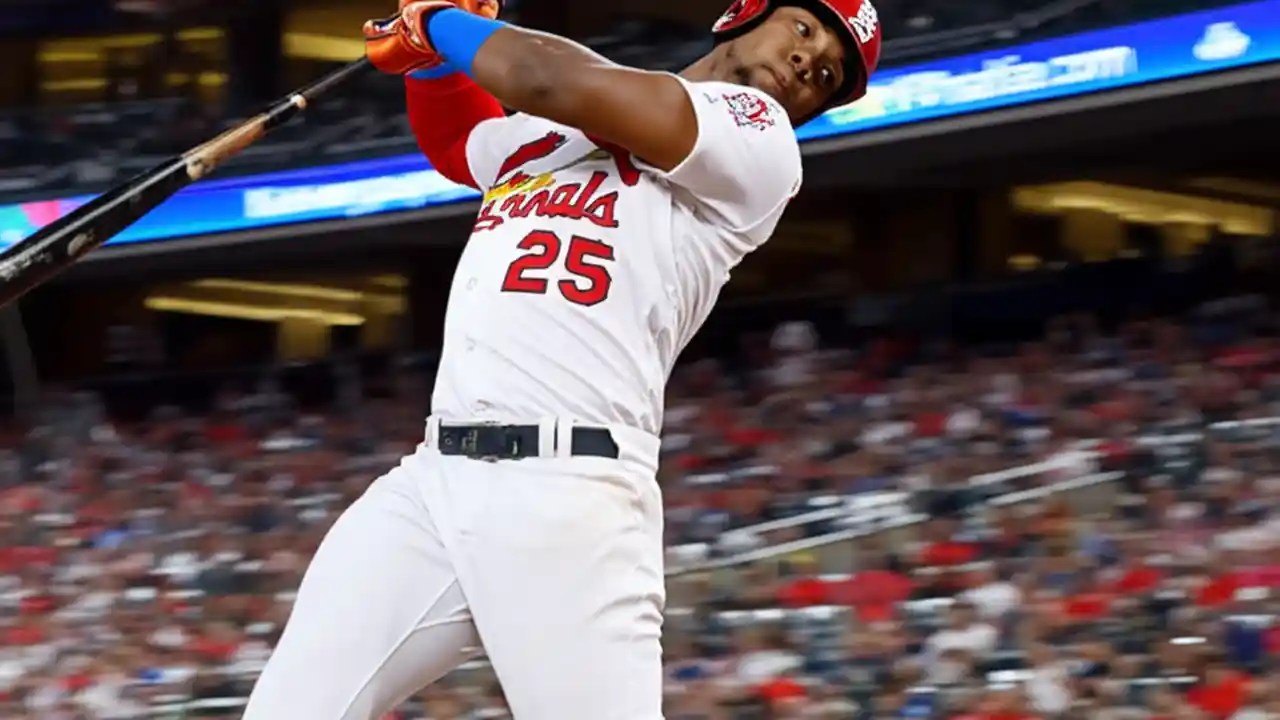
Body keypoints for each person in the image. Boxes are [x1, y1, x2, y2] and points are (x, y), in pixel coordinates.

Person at [242, 0, 881, 717]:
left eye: (827, 73)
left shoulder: (756, 139)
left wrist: (438, 22)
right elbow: (464, 143)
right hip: (431, 483)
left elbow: (544, 77)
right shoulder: (556, 130)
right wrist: (428, 70)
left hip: (570, 495)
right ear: (743, 13)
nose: (808, 61)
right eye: (803, 29)